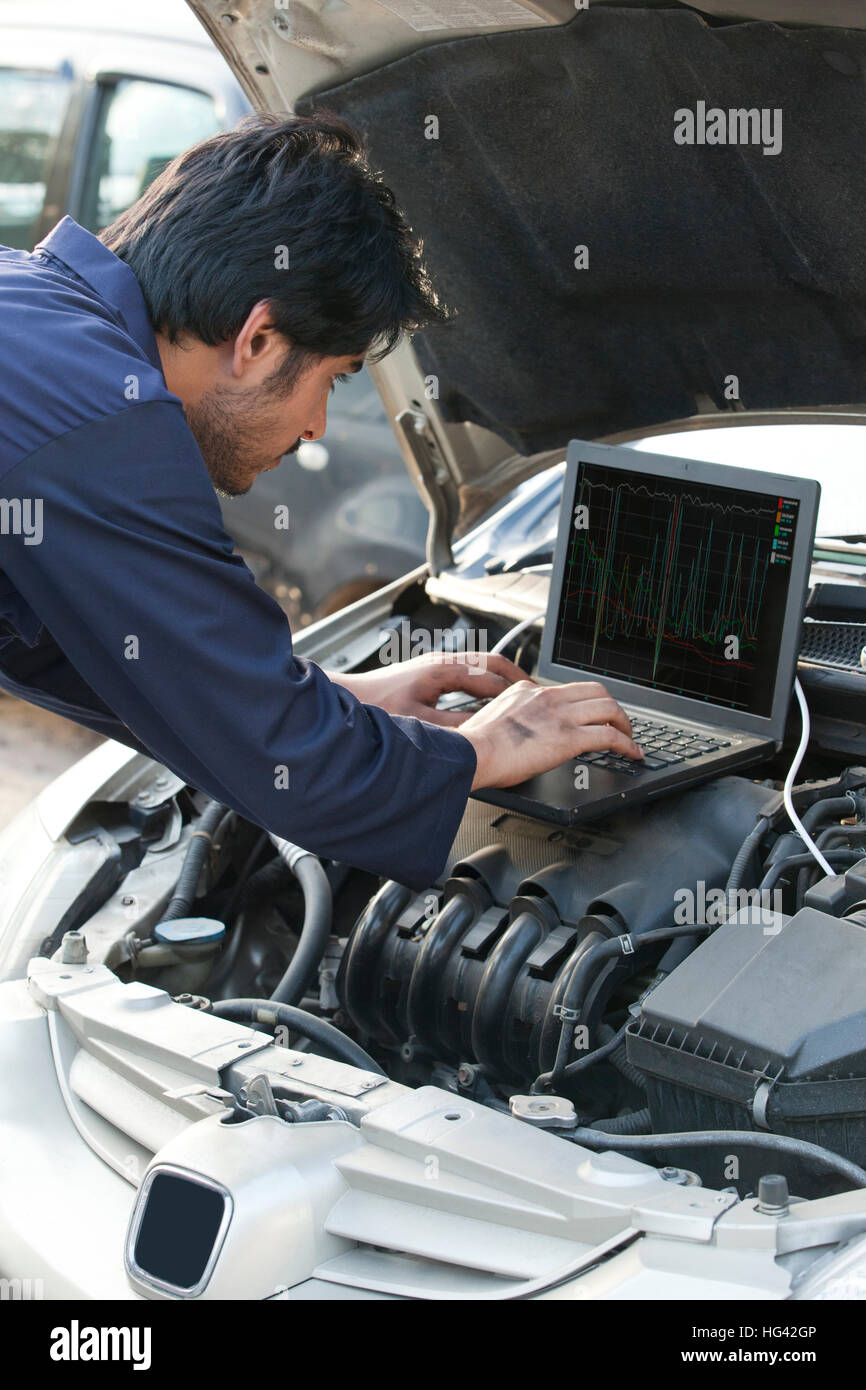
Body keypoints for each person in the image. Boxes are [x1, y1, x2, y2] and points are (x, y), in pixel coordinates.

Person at [0, 113, 641, 889]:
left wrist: (333, 698)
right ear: (259, 339)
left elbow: (84, 653)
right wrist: (480, 749)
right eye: (332, 378)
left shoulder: (36, 326)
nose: (316, 427)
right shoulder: (103, 414)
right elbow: (291, 769)